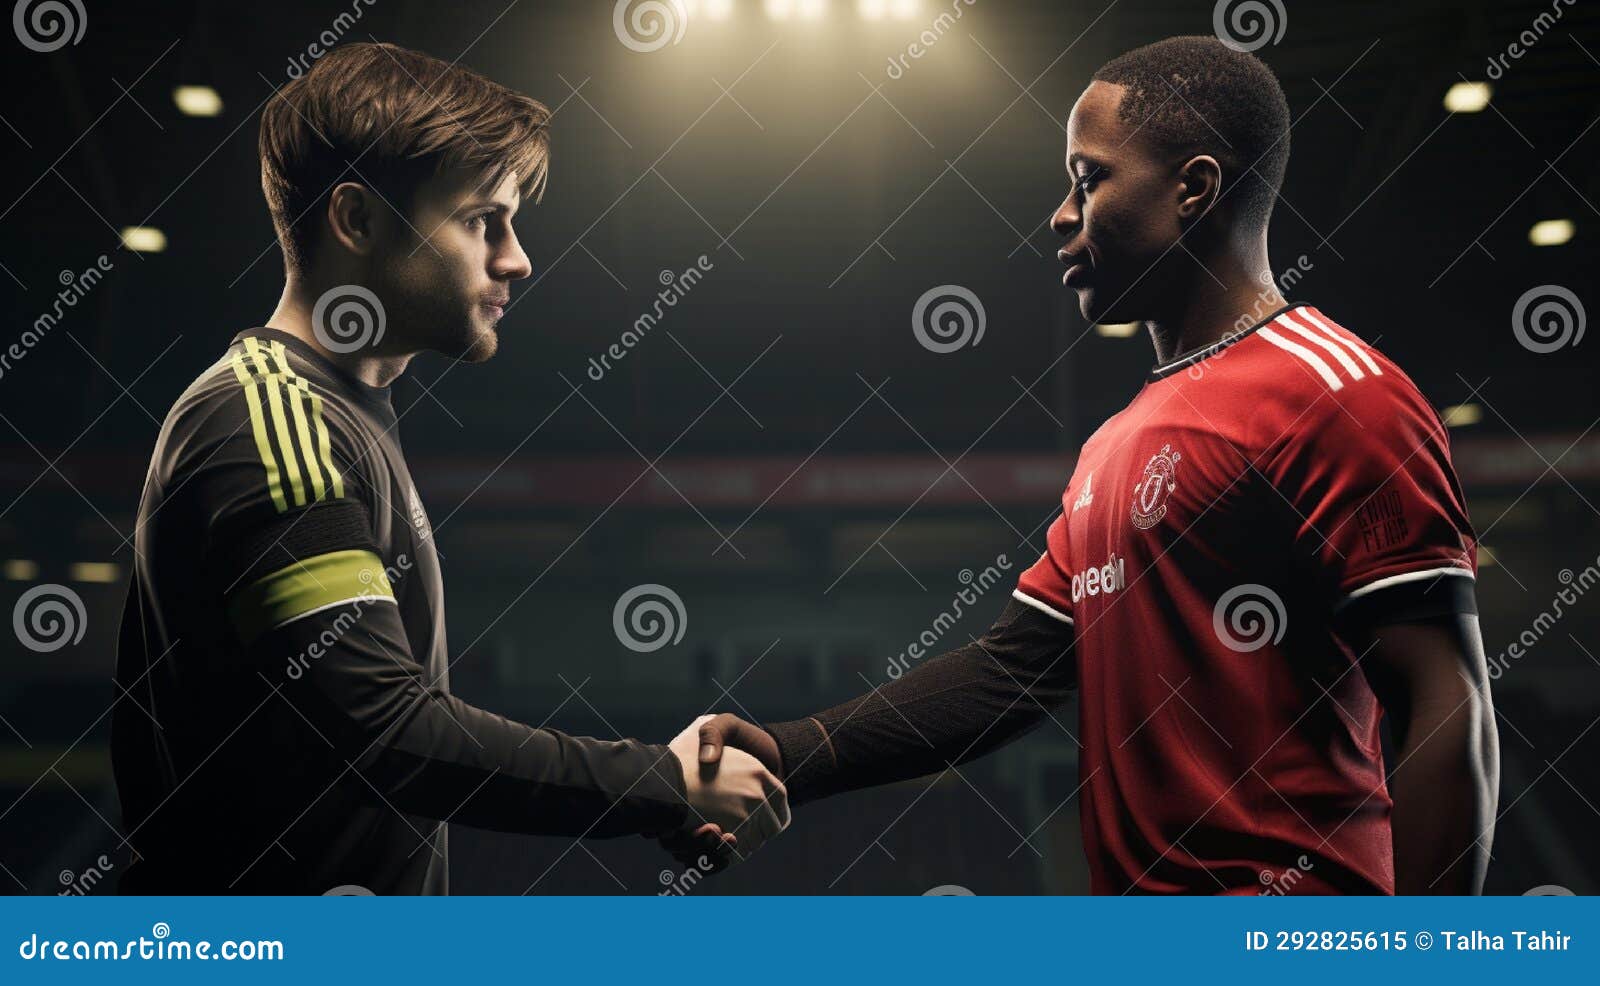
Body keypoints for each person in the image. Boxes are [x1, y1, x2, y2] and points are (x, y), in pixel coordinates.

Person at [675, 36, 1499, 895]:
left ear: (1194, 189)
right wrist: (792, 751)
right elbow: (1016, 669)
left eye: (1088, 179)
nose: (1062, 216)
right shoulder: (1117, 441)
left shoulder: (1336, 394)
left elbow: (1446, 700)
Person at [111, 42, 786, 895]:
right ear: (355, 221)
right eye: (481, 221)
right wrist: (662, 780)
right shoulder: (264, 422)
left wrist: (659, 799)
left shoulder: (342, 414)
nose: (517, 259)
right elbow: (383, 731)